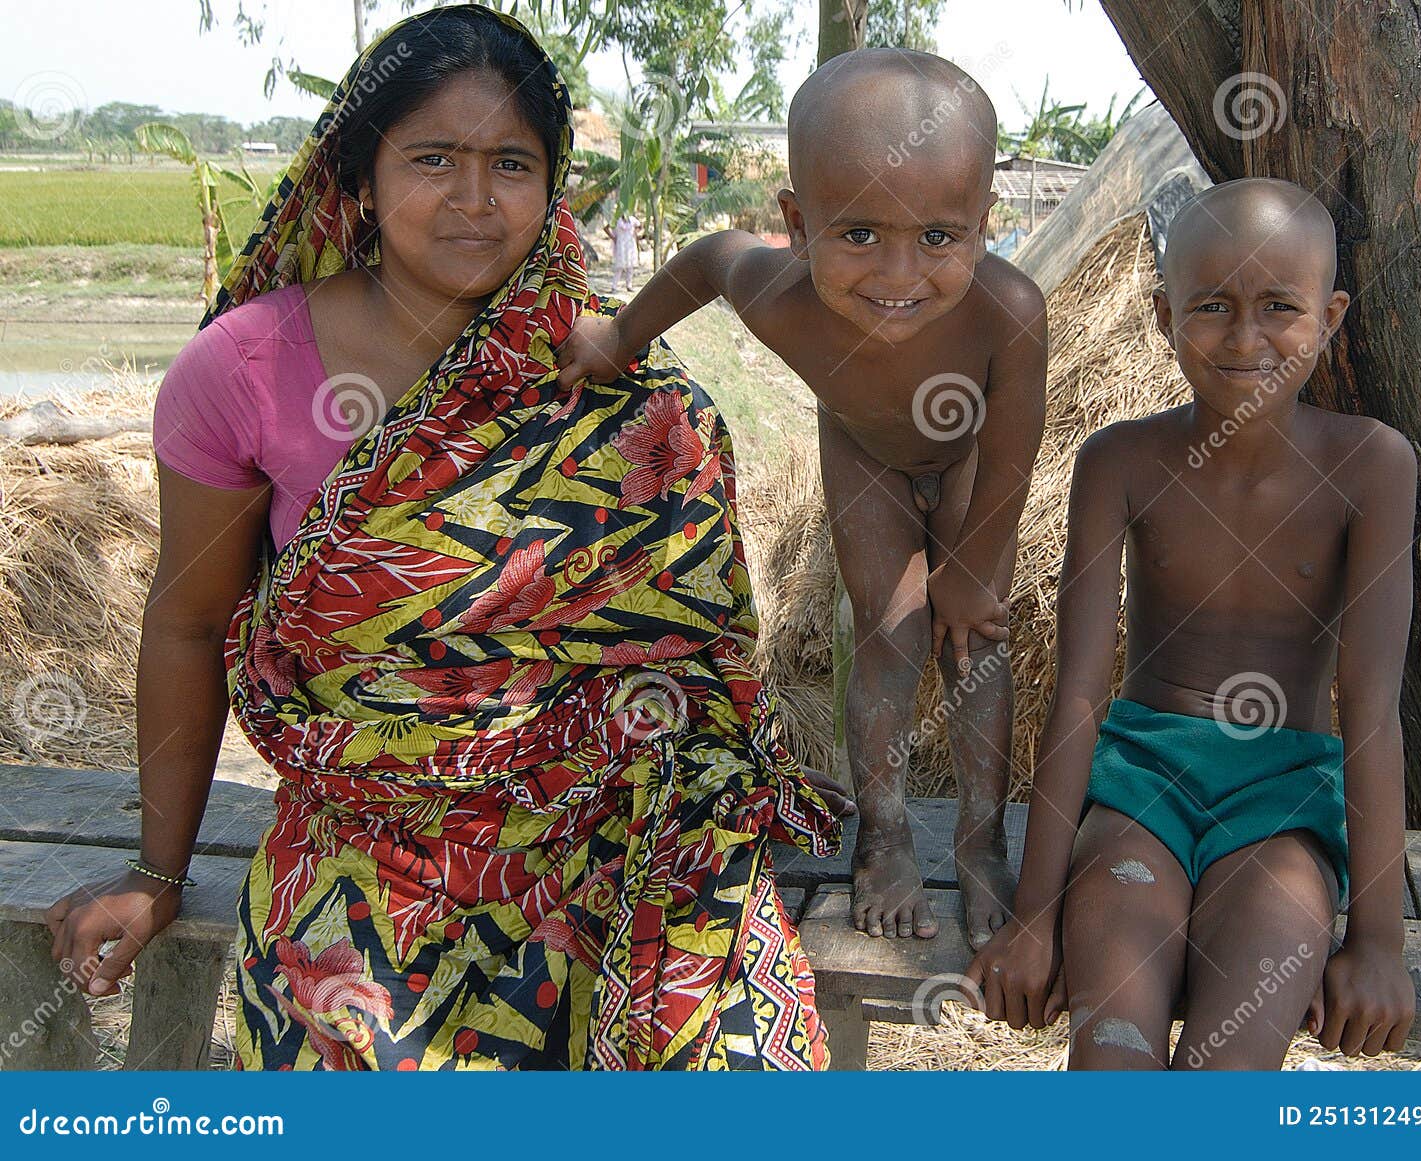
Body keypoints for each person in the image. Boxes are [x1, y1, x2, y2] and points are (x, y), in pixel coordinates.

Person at [44, 4, 851, 1071]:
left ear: (551, 186)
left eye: (511, 164)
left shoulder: (626, 390)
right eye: (433, 159)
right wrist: (157, 872)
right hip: (368, 851)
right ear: (360, 180)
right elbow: (188, 624)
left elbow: (692, 657)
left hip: (619, 841)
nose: (474, 199)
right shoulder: (244, 369)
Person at [558, 48, 1047, 949]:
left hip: (977, 462)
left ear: (983, 227)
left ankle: (982, 841)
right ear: (796, 222)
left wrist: (976, 567)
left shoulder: (1008, 310)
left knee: (973, 640)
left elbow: (1017, 443)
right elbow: (709, 260)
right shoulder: (778, 296)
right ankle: (884, 835)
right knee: (889, 634)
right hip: (865, 453)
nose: (898, 273)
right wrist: (618, 336)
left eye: (938, 238)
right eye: (858, 235)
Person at [966, 178, 1418, 1068]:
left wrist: (1378, 941)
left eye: (1279, 307)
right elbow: (1079, 693)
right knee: (1112, 1062)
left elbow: (1370, 708)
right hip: (1142, 787)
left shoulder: (1371, 466)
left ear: (1329, 317)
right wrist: (1034, 916)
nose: (1245, 338)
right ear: (1164, 314)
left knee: (1228, 1075)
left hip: (1282, 801)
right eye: (1211, 306)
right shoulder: (1120, 461)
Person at [605, 208, 641, 291]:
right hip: (621, 245)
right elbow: (606, 228)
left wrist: (635, 233)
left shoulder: (632, 219)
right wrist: (613, 237)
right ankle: (614, 286)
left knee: (630, 266)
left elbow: (639, 226)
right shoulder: (616, 220)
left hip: (630, 245)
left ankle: (629, 285)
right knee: (619, 267)